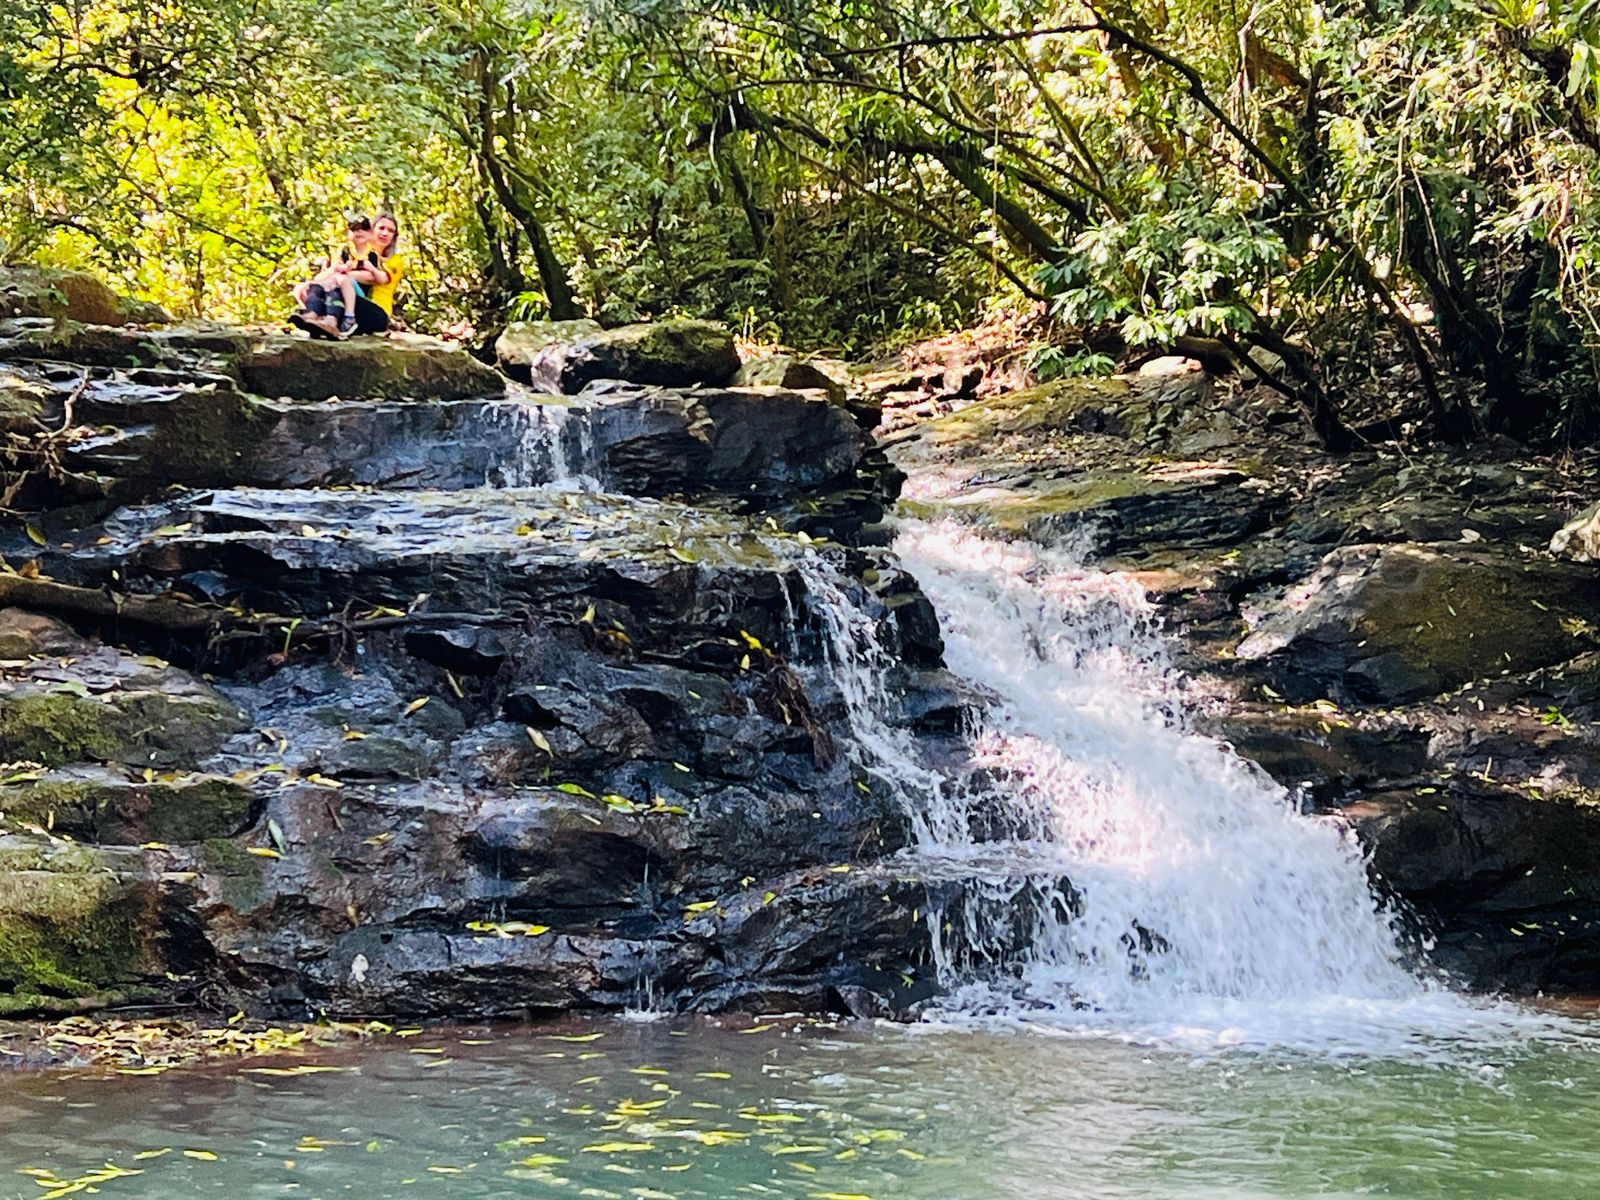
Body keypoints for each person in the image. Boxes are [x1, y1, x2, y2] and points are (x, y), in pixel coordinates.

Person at [291, 212, 405, 338]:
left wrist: (342, 274)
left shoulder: (389, 260)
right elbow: (326, 276)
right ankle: (314, 317)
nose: (385, 233)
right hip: (349, 300)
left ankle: (331, 320)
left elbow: (373, 278)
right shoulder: (351, 252)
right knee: (312, 287)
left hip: (374, 310)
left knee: (338, 283)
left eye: (390, 231)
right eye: (381, 228)